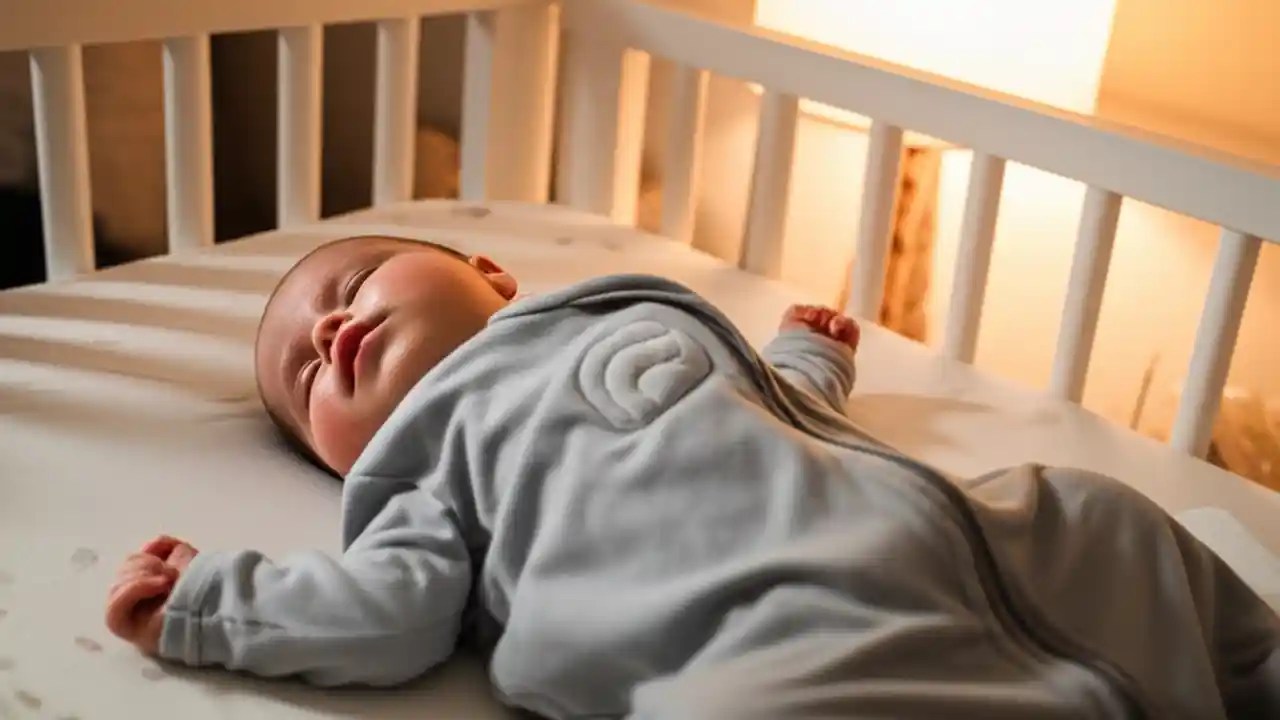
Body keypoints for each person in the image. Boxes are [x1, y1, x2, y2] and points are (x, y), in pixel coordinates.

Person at [106, 235, 1279, 719]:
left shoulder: (606, 322)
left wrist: (801, 362)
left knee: (1101, 519)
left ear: (489, 273)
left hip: (964, 547)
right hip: (762, 647)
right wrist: (219, 601)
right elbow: (387, 613)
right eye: (305, 377)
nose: (331, 332)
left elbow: (764, 420)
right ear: (339, 459)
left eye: (352, 282)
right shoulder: (422, 471)